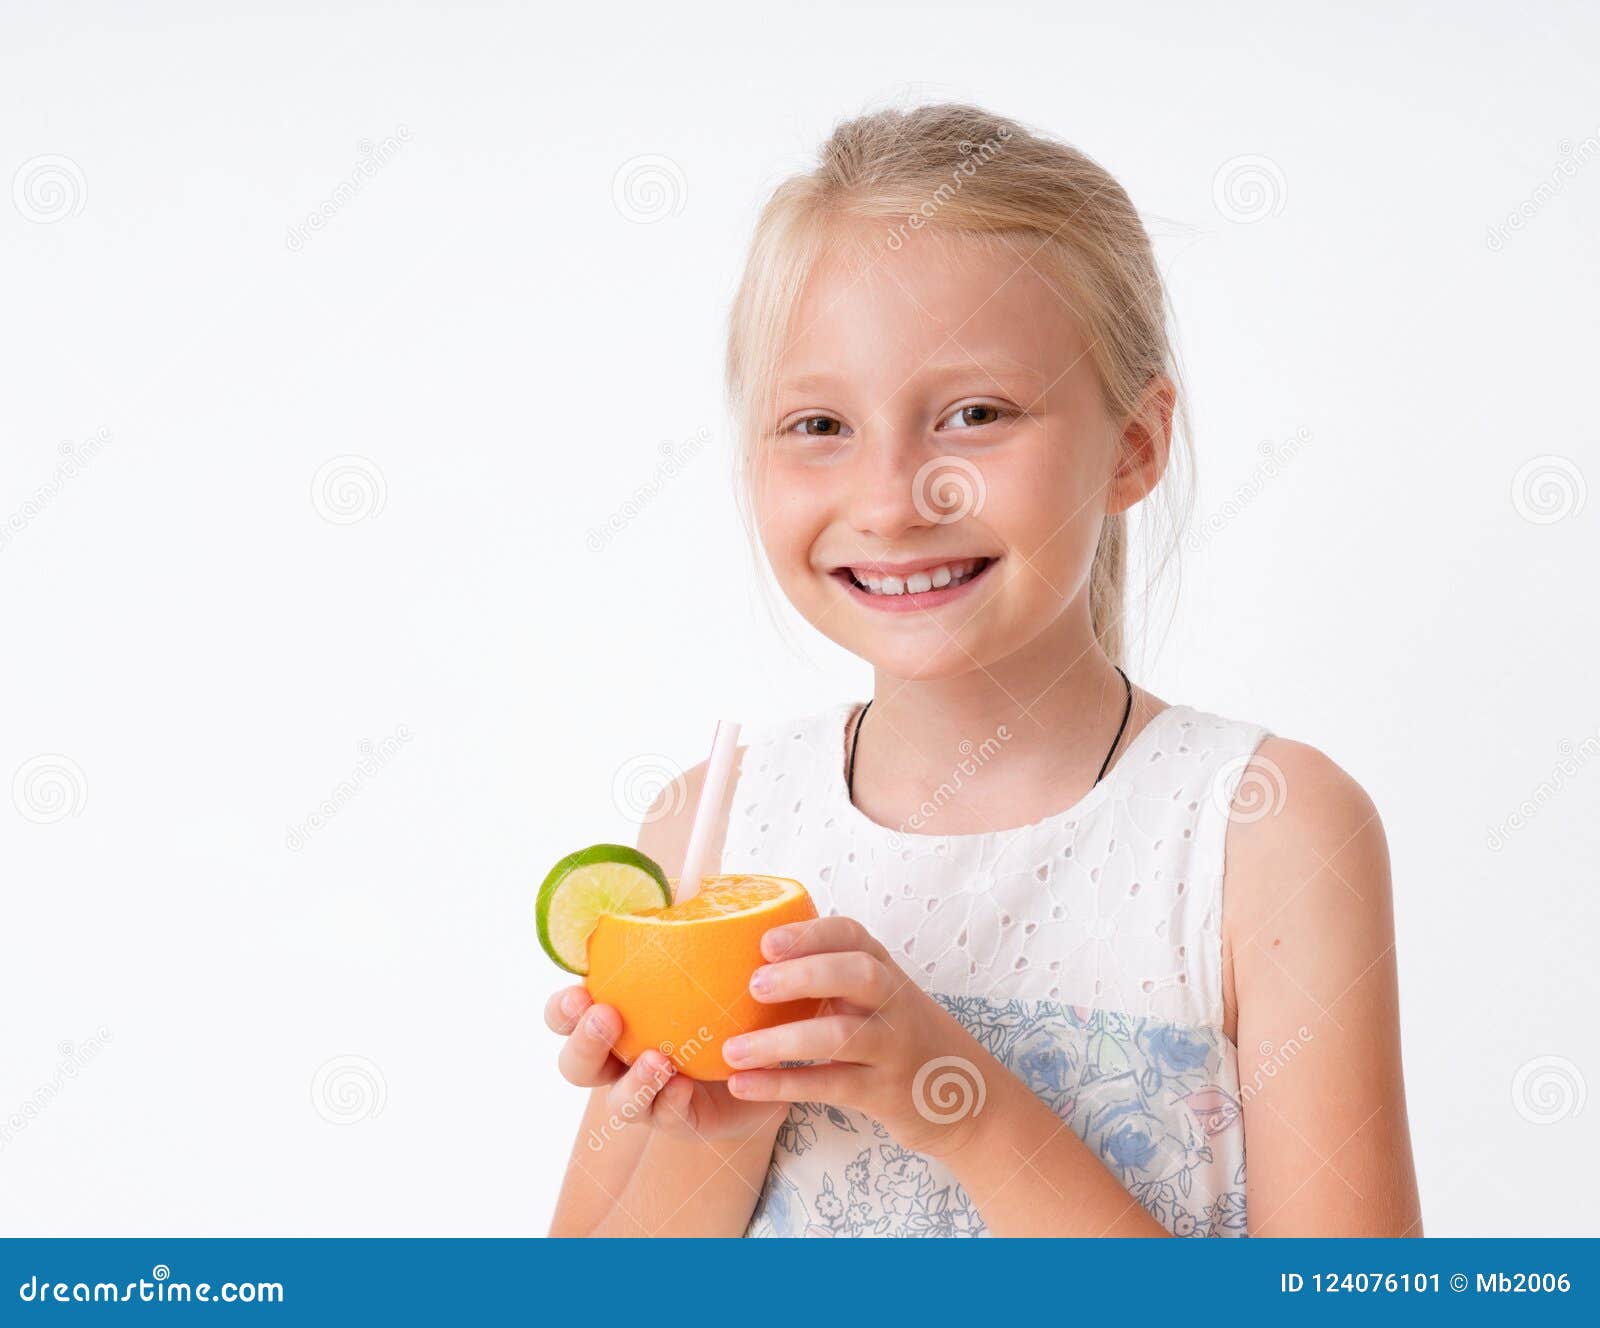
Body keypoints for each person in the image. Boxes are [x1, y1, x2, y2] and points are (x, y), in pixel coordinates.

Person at [546, 102, 1421, 1238]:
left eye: (974, 413)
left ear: (1134, 445)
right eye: (819, 424)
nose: (891, 499)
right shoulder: (707, 833)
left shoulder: (1264, 835)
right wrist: (724, 1119)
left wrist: (955, 1105)